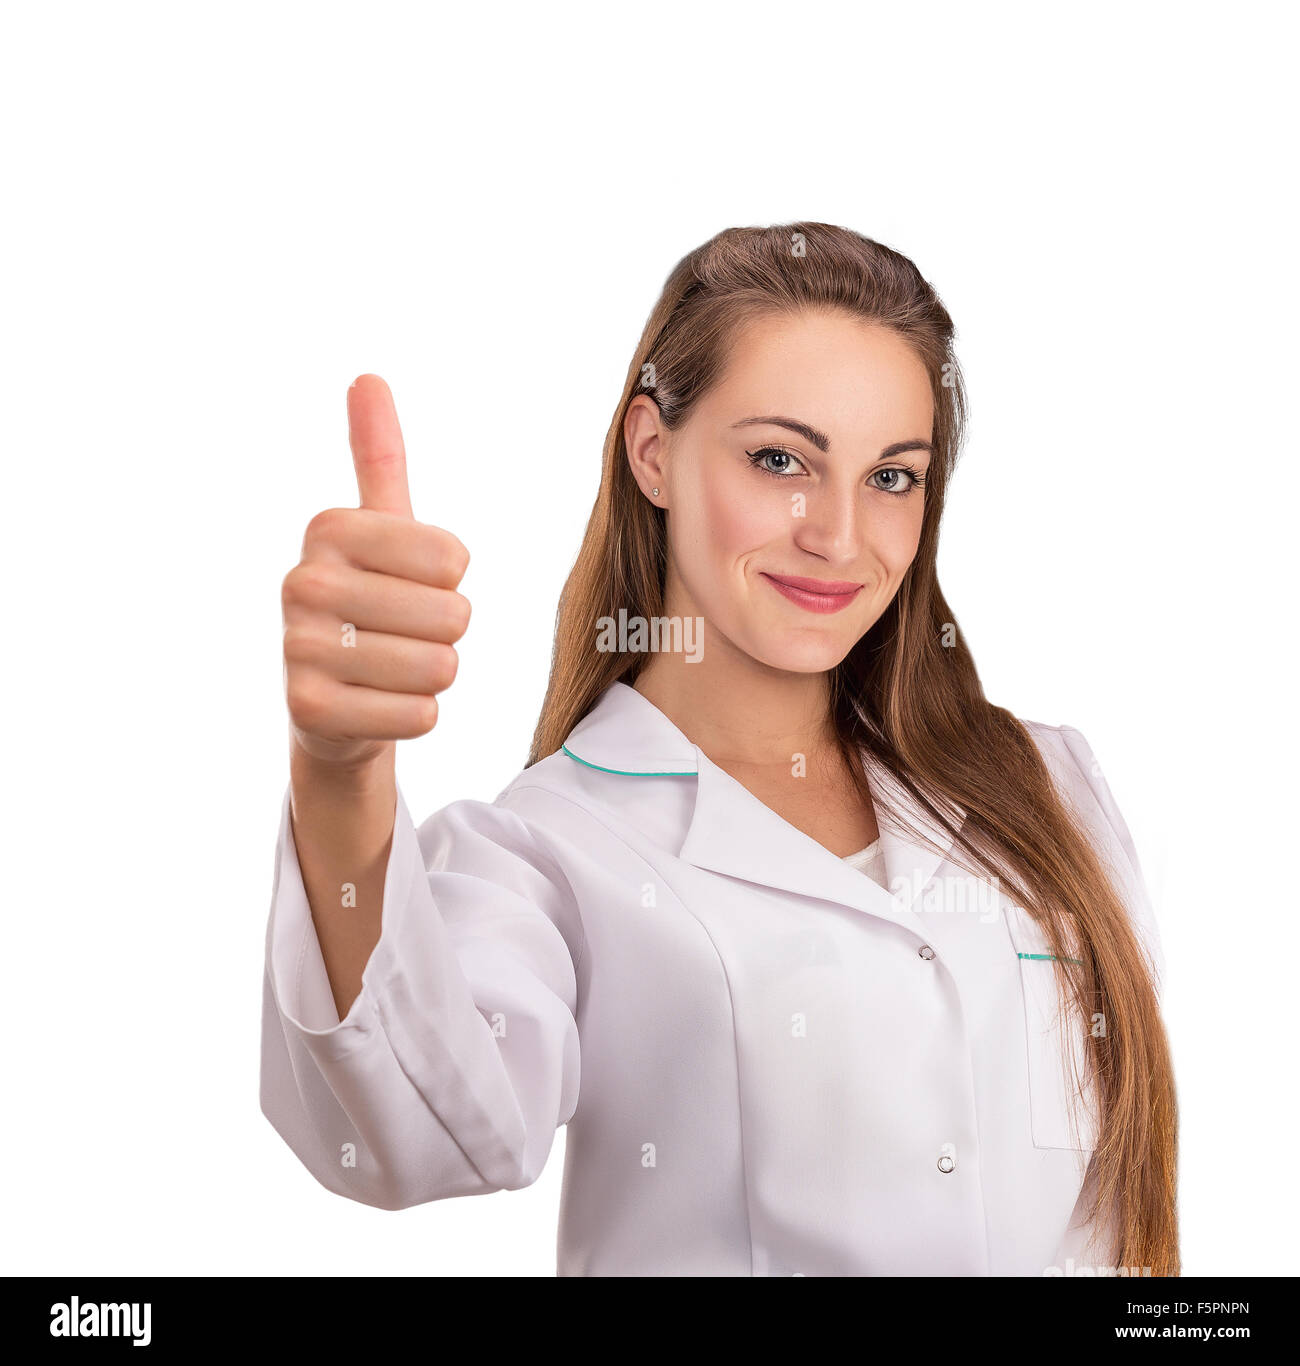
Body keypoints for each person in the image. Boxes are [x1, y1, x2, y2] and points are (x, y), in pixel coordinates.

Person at [260, 222, 1178, 1276]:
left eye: (892, 476)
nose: (837, 536)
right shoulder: (551, 848)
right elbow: (411, 1131)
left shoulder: (1049, 788)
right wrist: (340, 772)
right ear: (653, 451)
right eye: (779, 459)